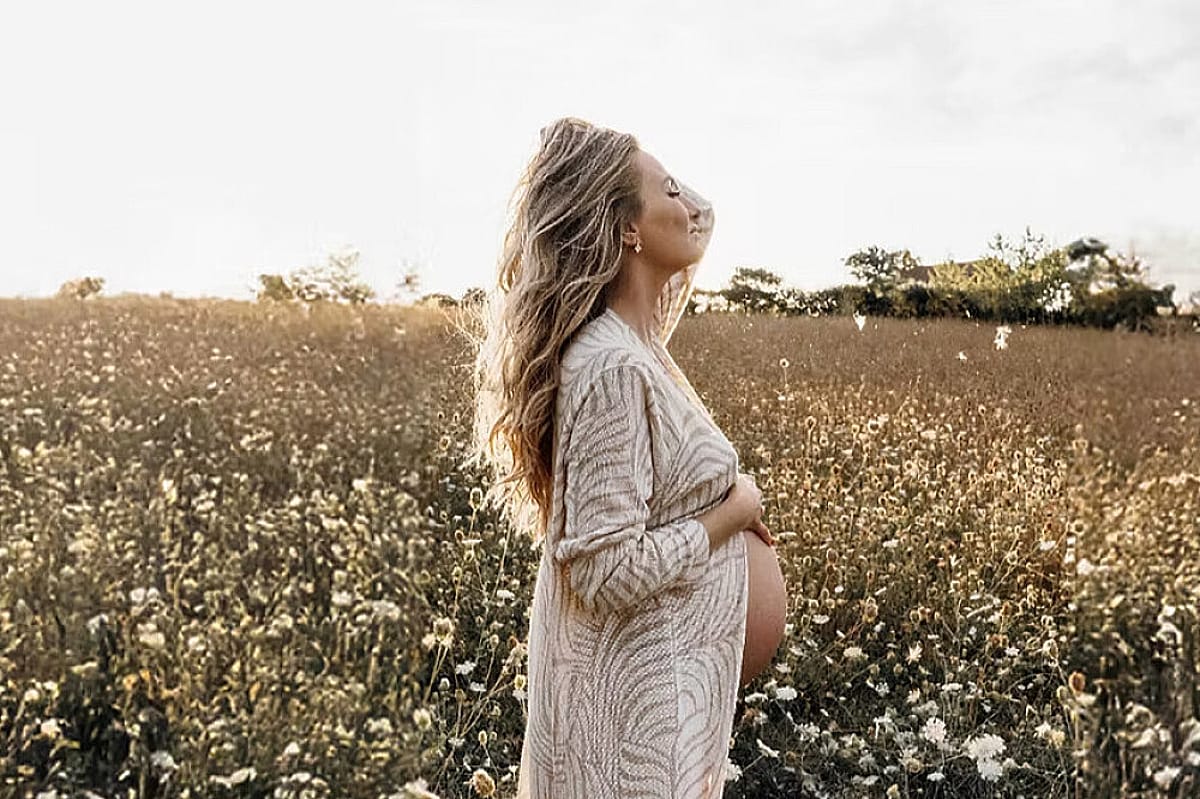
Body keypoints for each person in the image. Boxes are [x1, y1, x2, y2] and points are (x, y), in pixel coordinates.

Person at [467, 116, 784, 798]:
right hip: (627, 737)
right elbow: (606, 569)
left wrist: (619, 165)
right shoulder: (610, 364)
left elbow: (705, 216)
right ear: (625, 229)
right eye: (668, 189)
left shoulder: (640, 345)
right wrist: (735, 512)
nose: (691, 203)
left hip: (656, 700)